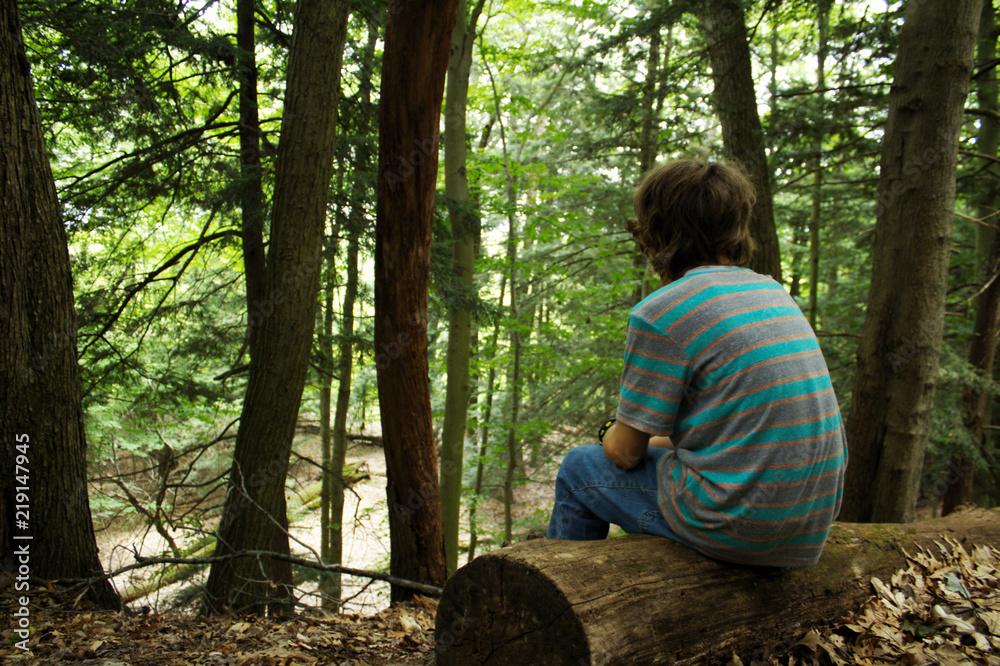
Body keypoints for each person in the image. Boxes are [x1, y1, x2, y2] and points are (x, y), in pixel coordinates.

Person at [546, 158, 848, 567]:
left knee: (580, 467)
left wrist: (611, 434)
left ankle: (565, 590)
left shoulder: (664, 311)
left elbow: (625, 455)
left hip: (740, 529)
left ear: (656, 230)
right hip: (809, 528)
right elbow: (732, 433)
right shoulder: (773, 294)